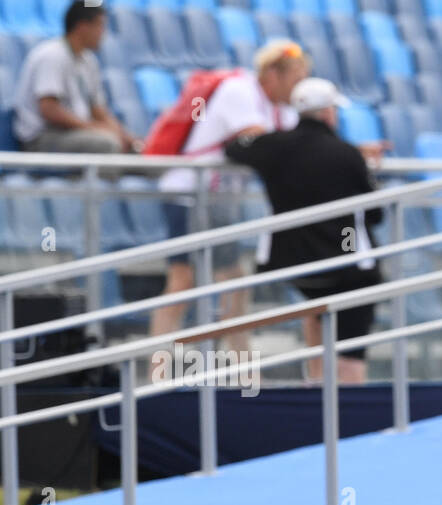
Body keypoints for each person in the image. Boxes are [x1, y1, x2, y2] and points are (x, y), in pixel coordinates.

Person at [150, 40, 309, 352]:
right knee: (185, 280)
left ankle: (240, 366)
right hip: (190, 195)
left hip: (216, 200)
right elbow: (263, 140)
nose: (298, 88)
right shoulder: (240, 90)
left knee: (231, 281)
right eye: (295, 79)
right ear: (272, 74)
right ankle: (161, 363)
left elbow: (303, 141)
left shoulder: (279, 107)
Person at [224, 77, 385, 385]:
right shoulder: (347, 154)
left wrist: (260, 135)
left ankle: (318, 400)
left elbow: (235, 147)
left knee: (317, 314)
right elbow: (374, 214)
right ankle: (351, 422)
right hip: (350, 266)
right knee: (350, 353)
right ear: (327, 114)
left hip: (296, 262)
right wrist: (368, 168)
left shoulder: (273, 146)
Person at [12, 0, 136, 154]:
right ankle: (99, 179)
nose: (103, 33)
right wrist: (95, 128)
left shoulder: (89, 60)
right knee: (107, 144)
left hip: (75, 133)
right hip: (43, 139)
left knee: (136, 149)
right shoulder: (51, 55)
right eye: (100, 25)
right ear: (82, 27)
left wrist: (124, 135)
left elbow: (97, 109)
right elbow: (49, 109)